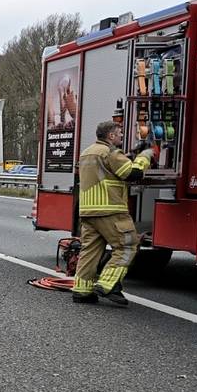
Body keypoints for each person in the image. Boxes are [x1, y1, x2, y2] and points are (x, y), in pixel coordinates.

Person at [71, 121, 153, 305]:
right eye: (120, 133)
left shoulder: (87, 152)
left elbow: (109, 171)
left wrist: (129, 155)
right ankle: (107, 284)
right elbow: (132, 173)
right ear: (111, 136)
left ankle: (82, 292)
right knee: (127, 245)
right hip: (110, 209)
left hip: (88, 211)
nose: (122, 136)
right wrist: (146, 155)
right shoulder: (111, 153)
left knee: (90, 251)